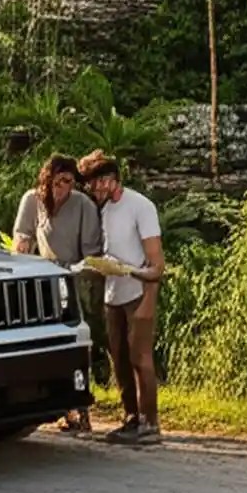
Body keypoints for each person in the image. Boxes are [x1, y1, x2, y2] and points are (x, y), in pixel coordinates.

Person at [11, 153, 104, 436]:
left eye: (70, 182)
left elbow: (91, 253)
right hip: (40, 281)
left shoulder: (82, 205)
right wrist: (22, 254)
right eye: (60, 181)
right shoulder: (32, 200)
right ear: (48, 180)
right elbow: (21, 238)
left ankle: (81, 410)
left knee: (74, 346)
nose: (65, 187)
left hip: (72, 280)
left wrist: (74, 271)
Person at [77, 149, 165, 445]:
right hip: (113, 294)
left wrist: (141, 286)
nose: (95, 189)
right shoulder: (105, 210)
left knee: (140, 357)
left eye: (99, 182)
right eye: (90, 184)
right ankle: (131, 417)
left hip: (137, 292)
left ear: (113, 179)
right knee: (120, 360)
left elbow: (156, 264)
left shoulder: (140, 206)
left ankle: (150, 422)